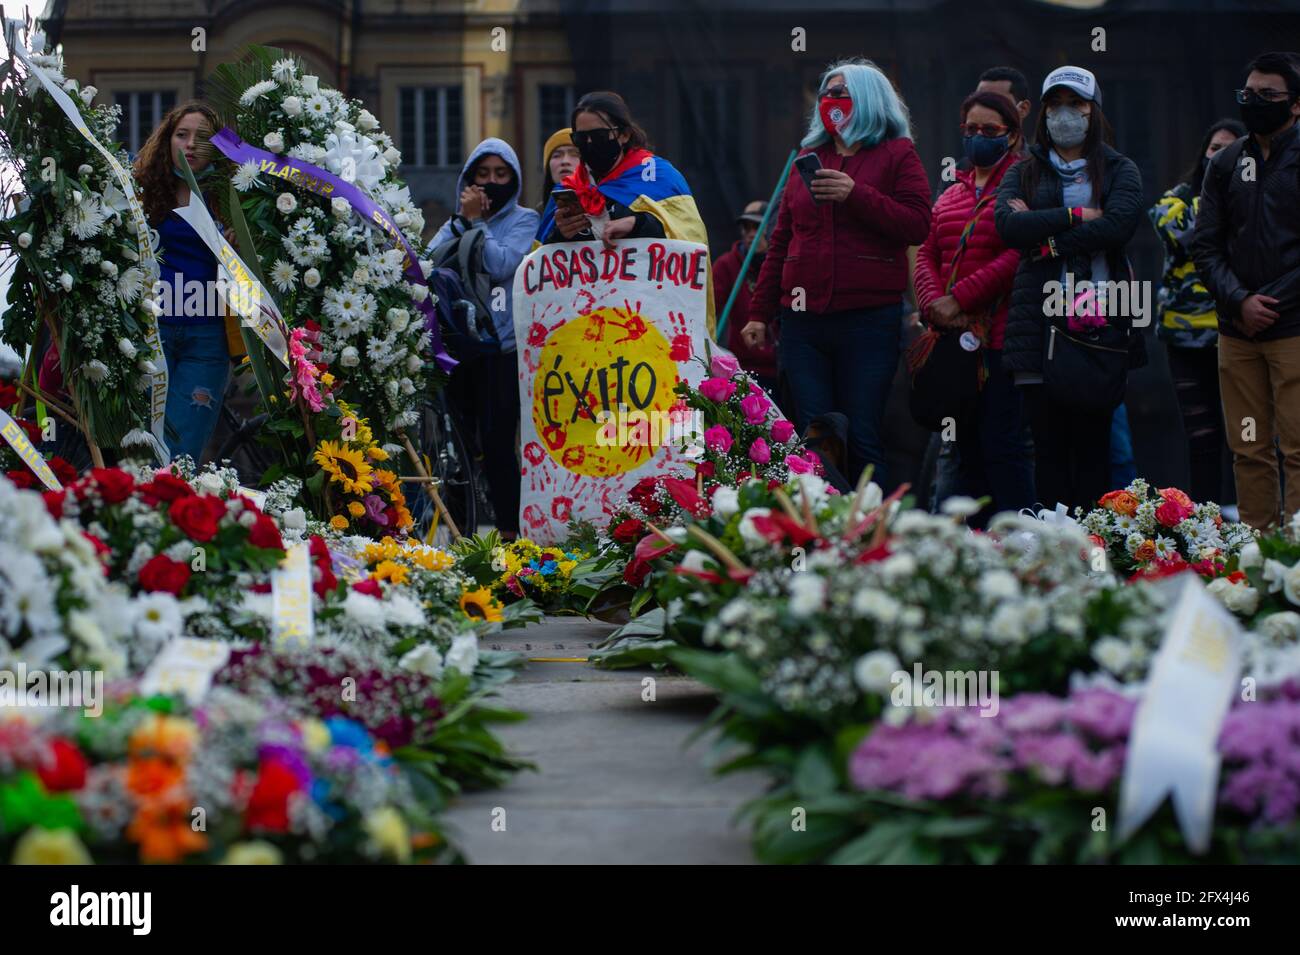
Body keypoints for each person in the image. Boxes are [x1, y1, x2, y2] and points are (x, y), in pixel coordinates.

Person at [741, 58, 931, 484]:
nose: (832, 100)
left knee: (862, 433)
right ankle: (824, 536)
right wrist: (759, 311)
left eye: (842, 92)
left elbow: (918, 222)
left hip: (868, 321)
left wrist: (856, 194)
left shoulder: (897, 153)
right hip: (803, 324)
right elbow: (783, 241)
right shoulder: (807, 158)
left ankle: (872, 539)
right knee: (814, 435)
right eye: (828, 92)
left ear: (868, 99)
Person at [995, 65, 1145, 513]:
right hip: (1038, 327)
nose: (1065, 114)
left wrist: (1050, 241)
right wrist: (1077, 217)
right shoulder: (1024, 171)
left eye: (1075, 104)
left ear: (1093, 111)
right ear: (1043, 114)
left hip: (1102, 319)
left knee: (1095, 450)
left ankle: (1098, 553)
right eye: (1056, 104)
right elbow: (1008, 226)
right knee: (1049, 450)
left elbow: (1119, 225)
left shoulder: (1120, 168)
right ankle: (1056, 556)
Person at [914, 91, 1033, 526]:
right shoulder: (952, 192)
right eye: (971, 129)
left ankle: (1021, 541)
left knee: (1002, 446)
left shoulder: (1024, 185)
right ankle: (971, 548)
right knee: (963, 449)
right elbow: (926, 251)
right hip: (953, 344)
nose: (978, 137)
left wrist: (960, 298)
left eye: (990, 130)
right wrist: (933, 305)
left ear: (1013, 136)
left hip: (1001, 341)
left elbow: (1019, 253)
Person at [1192, 52, 1300, 530]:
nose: (1255, 103)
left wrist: (1269, 303)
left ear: (1296, 104)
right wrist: (1239, 301)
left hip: (1293, 327)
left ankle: (1295, 562)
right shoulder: (1227, 163)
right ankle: (1259, 558)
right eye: (1248, 95)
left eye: (1268, 96)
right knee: (1248, 448)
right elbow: (1205, 245)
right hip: (1237, 331)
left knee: (1298, 448)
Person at [428, 138, 539, 539]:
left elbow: (500, 264)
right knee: (458, 443)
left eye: (501, 174)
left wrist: (477, 225)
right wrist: (463, 221)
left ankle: (510, 531)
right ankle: (461, 531)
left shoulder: (526, 220)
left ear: (514, 178)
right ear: (469, 178)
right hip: (462, 347)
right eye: (483, 174)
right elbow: (430, 260)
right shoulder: (458, 219)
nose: (492, 182)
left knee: (496, 444)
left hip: (501, 350)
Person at [541, 91, 715, 330]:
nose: (590, 144)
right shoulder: (566, 190)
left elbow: (691, 244)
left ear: (623, 135)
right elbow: (540, 269)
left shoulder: (658, 176)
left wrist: (639, 224)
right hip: (585, 323)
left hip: (650, 320)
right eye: (581, 139)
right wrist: (560, 235)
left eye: (599, 136)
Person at [134, 101, 236, 464]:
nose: (191, 144)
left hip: (206, 338)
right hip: (150, 334)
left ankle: (170, 515)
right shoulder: (141, 193)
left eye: (203, 138)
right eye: (182, 135)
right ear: (167, 140)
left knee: (179, 455)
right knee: (141, 448)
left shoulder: (232, 199)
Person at [1150, 118, 1246, 504]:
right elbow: (1181, 231)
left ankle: (1248, 523)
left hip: (1240, 333)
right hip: (1186, 336)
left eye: (1231, 150)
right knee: (1201, 434)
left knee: (1246, 434)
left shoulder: (1258, 200)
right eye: (1214, 148)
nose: (1220, 155)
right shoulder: (1173, 199)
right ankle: (1207, 522)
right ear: (1202, 154)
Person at [713, 200, 779, 397]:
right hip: (742, 368)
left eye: (758, 227)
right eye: (747, 227)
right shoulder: (727, 264)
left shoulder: (785, 264)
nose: (752, 234)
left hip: (782, 368)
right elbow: (708, 308)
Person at [535, 127, 579, 240]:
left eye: (574, 154)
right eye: (556, 155)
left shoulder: (599, 205)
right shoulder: (537, 215)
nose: (565, 161)